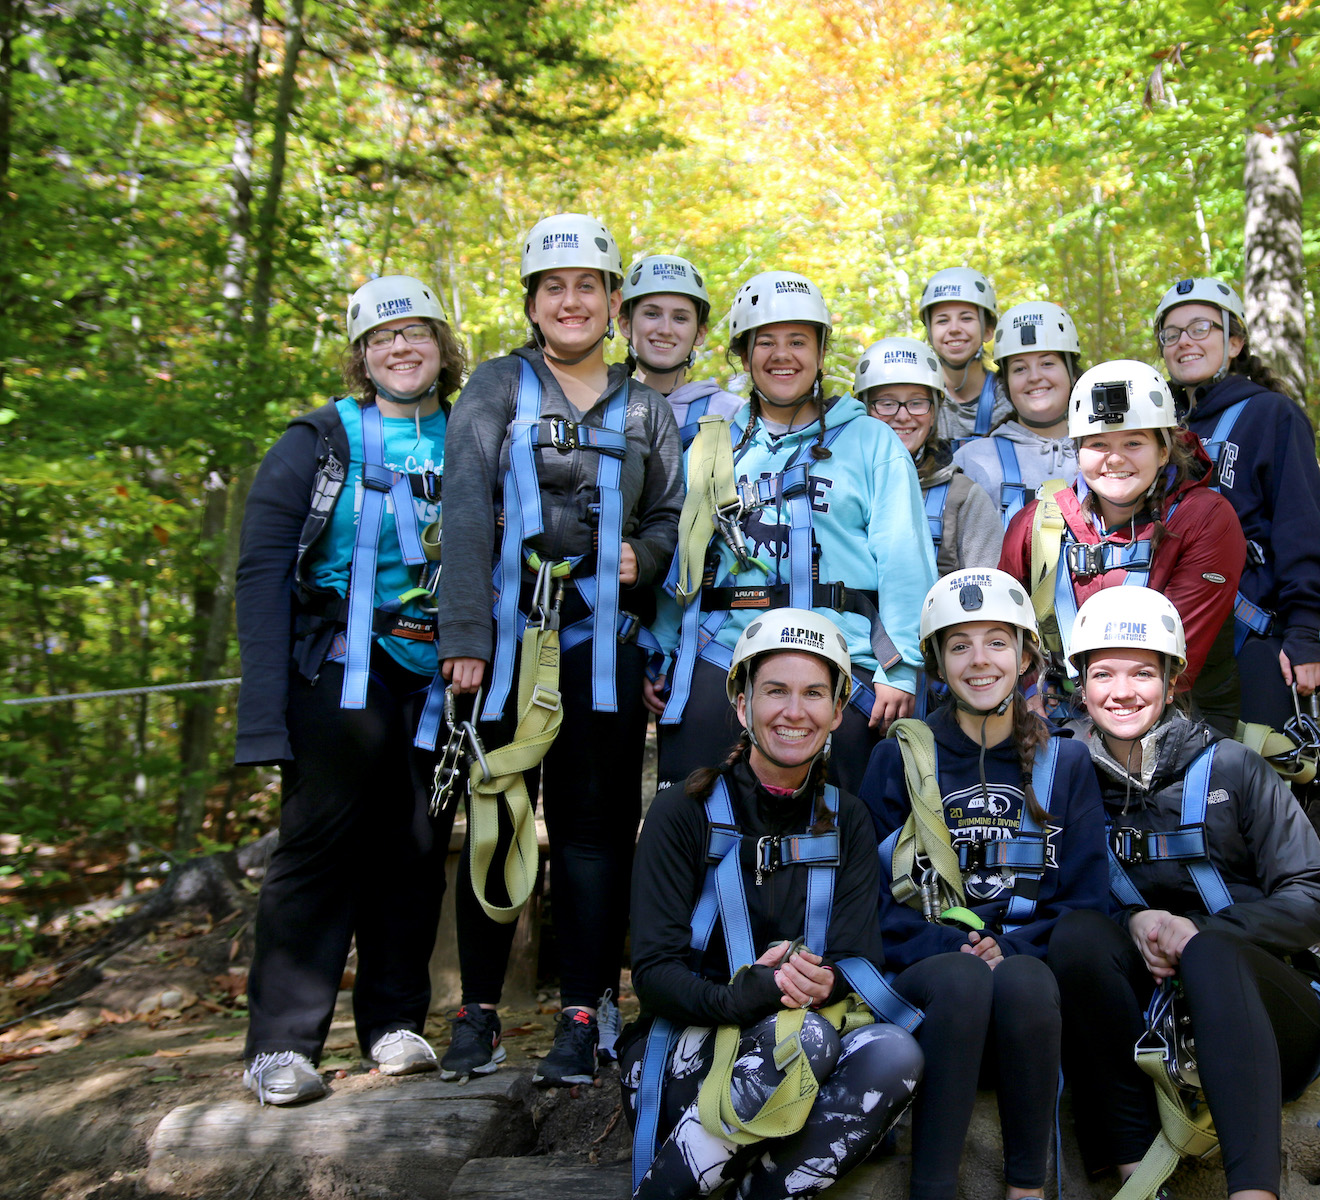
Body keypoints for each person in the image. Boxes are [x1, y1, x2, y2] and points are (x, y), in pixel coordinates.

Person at [435, 212, 684, 1087]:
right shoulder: (499, 388)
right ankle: (479, 1012)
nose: (571, 301)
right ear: (534, 303)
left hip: (601, 649)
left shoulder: (647, 408)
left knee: (594, 835)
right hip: (503, 642)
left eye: (588, 287)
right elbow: (463, 505)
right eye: (554, 288)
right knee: (499, 822)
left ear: (614, 304)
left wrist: (642, 558)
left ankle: (584, 1011)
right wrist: (463, 634)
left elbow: (669, 519)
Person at [1044, 586, 1320, 1200]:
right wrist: (1132, 918)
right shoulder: (1063, 778)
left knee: (1210, 952)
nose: (1122, 691)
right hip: (1145, 1020)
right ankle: (1135, 1174)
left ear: (1172, 679)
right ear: (1079, 686)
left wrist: (1206, 931)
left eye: (1142, 672)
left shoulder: (1234, 767)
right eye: (1103, 673)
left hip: (1262, 1013)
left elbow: (1318, 897)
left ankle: (1254, 1193)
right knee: (1078, 936)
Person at [234, 275, 467, 1103]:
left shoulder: (474, 430)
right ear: (363, 355)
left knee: (413, 846)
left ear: (444, 347)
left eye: (417, 334)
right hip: (340, 664)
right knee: (319, 845)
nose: (401, 349)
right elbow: (262, 568)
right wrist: (260, 716)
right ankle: (282, 1045)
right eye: (383, 337)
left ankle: (396, 1022)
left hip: (443, 676)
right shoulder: (321, 438)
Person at [624, 609, 925, 1200]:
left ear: (839, 711)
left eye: (815, 693)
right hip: (684, 1053)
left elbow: (857, 960)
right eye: (775, 692)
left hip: (799, 1041)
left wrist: (823, 982)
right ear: (741, 704)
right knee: (803, 1041)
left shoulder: (850, 820)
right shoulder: (681, 811)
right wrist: (754, 993)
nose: (795, 711)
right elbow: (654, 976)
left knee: (896, 1052)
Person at [859, 569, 1110, 1200]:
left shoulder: (1067, 762)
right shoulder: (898, 756)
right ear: (937, 661)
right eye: (959, 644)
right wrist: (948, 949)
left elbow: (1085, 900)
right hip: (932, 997)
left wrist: (1018, 950)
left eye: (997, 641)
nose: (979, 660)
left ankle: (1027, 1189)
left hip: (1028, 1014)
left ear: (1026, 655)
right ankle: (934, 1187)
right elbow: (870, 896)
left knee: (1022, 977)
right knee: (966, 976)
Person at [647, 270, 935, 794]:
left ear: (822, 351)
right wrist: (662, 648)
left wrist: (903, 669)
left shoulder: (871, 441)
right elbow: (687, 557)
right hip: (727, 649)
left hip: (843, 653)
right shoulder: (713, 447)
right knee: (694, 808)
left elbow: (904, 559)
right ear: (744, 354)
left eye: (798, 341)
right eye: (767, 342)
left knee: (844, 822)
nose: (783, 356)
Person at [1154, 277, 1320, 800]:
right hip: (1181, 629)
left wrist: (1304, 628)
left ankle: (1293, 882)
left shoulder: (1271, 415)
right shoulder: (1155, 425)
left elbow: (1300, 522)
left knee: (1269, 784)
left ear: (1234, 342)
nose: (1185, 342)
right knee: (1189, 784)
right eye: (1171, 334)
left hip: (1253, 627)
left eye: (1201, 328)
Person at [998, 360, 1244, 729]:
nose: (1114, 458)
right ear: (1078, 452)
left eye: (1133, 442)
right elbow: (1004, 627)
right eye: (1098, 444)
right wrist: (1028, 691)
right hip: (1053, 715)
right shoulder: (1037, 523)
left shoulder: (1204, 519)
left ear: (1164, 450)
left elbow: (1180, 662)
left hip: (1176, 718)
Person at [855, 335, 1003, 575]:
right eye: (886, 403)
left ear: (934, 412)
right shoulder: (839, 487)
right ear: (864, 407)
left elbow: (990, 591)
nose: (902, 416)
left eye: (916, 403)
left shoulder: (963, 497)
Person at [952, 301, 1083, 530]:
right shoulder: (971, 461)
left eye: (1047, 363)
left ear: (1072, 375)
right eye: (1019, 368)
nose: (1034, 377)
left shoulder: (1103, 454)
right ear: (1006, 384)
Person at [620, 253, 743, 447]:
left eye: (680, 318)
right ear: (625, 325)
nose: (665, 330)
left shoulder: (731, 414)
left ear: (700, 333)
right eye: (652, 314)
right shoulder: (602, 406)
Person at [917, 266, 1009, 442]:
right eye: (942, 320)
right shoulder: (916, 403)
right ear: (929, 333)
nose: (954, 329)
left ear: (988, 330)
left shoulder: (1010, 398)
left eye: (966, 318)